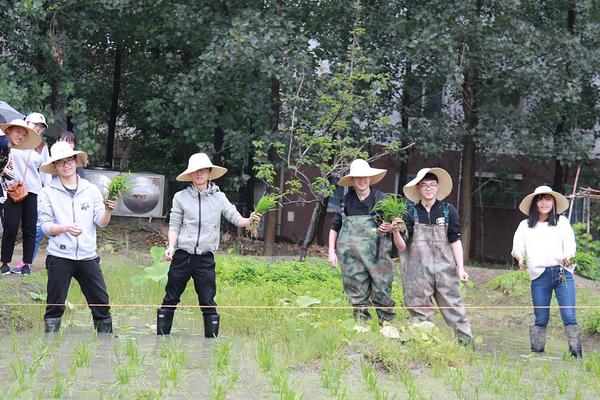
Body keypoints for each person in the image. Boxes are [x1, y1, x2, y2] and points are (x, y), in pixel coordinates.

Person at [157, 152, 260, 337]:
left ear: (209, 173)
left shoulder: (219, 198)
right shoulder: (180, 197)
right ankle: (161, 340)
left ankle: (210, 347)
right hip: (182, 256)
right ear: (190, 174)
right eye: (195, 171)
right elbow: (174, 225)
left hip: (205, 258)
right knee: (170, 298)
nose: (199, 174)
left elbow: (236, 218)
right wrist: (171, 246)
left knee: (208, 301)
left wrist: (250, 220)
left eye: (203, 170)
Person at [37, 141, 116, 333]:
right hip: (59, 256)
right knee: (55, 306)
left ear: (76, 161)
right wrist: (64, 228)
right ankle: (50, 346)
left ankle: (104, 347)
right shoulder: (47, 193)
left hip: (88, 256)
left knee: (101, 305)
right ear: (54, 167)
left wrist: (108, 210)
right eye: (60, 162)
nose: (66, 164)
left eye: (69, 160)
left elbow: (101, 221)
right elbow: (45, 226)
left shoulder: (90, 189)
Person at [399, 167, 473, 346]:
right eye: (424, 185)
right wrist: (396, 231)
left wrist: (461, 268)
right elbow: (401, 245)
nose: (428, 188)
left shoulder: (448, 211)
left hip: (445, 270)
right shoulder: (410, 213)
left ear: (438, 187)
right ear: (418, 188)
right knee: (419, 314)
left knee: (455, 310)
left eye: (432, 185)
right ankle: (425, 349)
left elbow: (455, 240)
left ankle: (467, 349)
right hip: (417, 273)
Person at [511, 185, 581, 358]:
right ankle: (537, 354)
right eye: (540, 199)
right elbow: (516, 248)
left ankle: (576, 355)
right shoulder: (525, 225)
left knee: (569, 316)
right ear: (535, 203)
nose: (544, 202)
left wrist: (568, 257)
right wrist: (521, 259)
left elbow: (571, 246)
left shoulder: (562, 222)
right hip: (539, 276)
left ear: (553, 202)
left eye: (547, 198)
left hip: (562, 274)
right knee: (541, 318)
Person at [328, 159, 396, 325]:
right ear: (352, 180)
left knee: (382, 289)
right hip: (352, 257)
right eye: (358, 177)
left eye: (365, 176)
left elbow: (395, 222)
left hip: (378, 254)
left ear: (370, 178)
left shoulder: (381, 198)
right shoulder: (347, 200)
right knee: (356, 289)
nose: (362, 180)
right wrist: (331, 251)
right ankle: (361, 325)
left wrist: (389, 226)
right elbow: (335, 226)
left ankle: (387, 325)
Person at [0, 119, 44, 275]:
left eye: (24, 134)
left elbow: (43, 169)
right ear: (10, 131)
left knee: (30, 228)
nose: (21, 136)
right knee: (10, 226)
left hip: (32, 190)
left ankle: (27, 264)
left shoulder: (36, 149)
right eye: (18, 132)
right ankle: (4, 262)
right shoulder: (5, 146)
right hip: (12, 189)